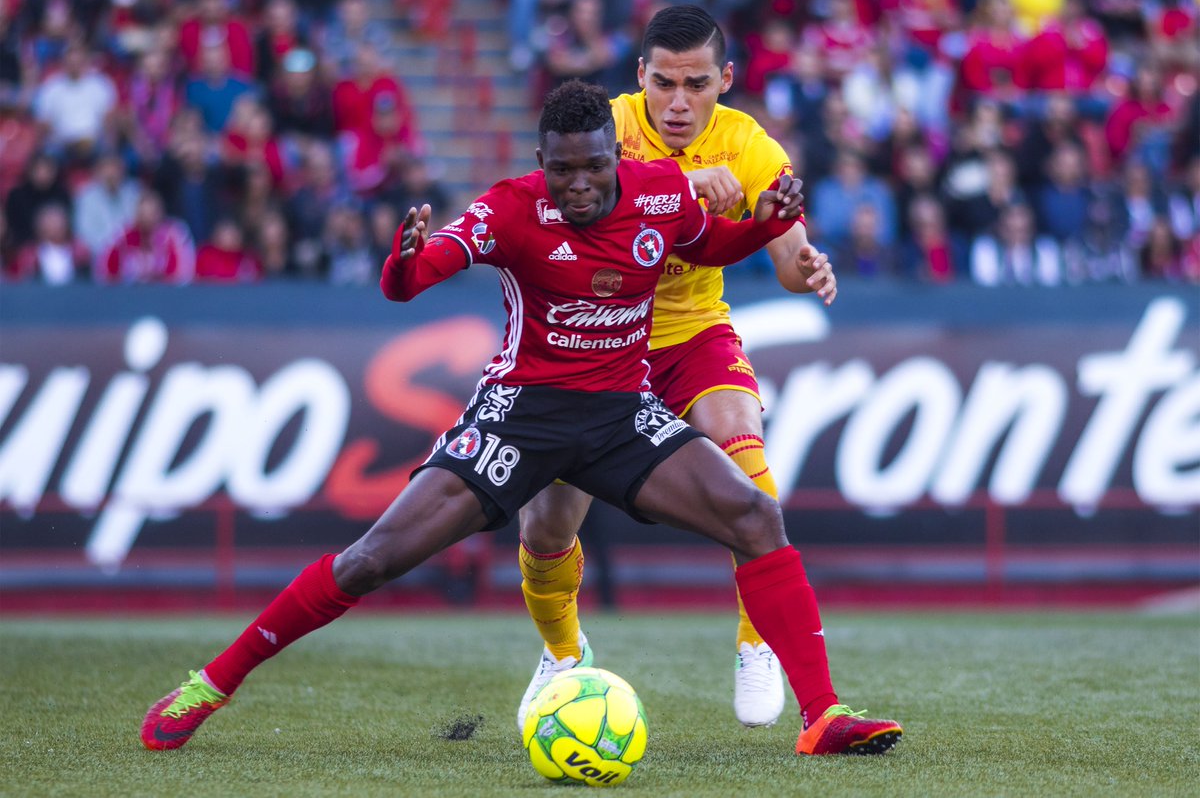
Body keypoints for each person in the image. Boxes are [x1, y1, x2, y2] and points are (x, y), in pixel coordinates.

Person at [141, 79, 902, 759]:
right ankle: (211, 683)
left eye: (592, 166)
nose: (577, 184)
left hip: (618, 414)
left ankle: (821, 715)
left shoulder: (661, 192)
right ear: (542, 158)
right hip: (518, 418)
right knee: (371, 559)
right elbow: (421, 274)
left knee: (755, 512)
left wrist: (766, 226)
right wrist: (405, 261)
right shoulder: (510, 206)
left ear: (615, 153)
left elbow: (710, 242)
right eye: (561, 168)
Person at [514, 4, 840, 734]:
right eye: (665, 83)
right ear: (641, 77)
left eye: (698, 83)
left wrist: (807, 265)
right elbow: (580, 202)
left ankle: (757, 643)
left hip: (692, 332)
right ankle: (564, 653)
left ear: (725, 78)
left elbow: (786, 255)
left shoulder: (751, 145)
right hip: (595, 339)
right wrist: (685, 184)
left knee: (745, 453)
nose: (680, 102)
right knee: (544, 527)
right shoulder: (607, 127)